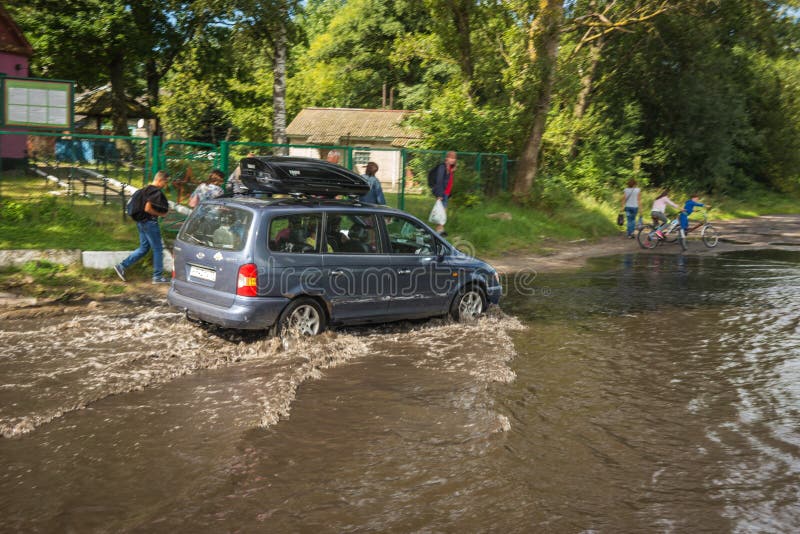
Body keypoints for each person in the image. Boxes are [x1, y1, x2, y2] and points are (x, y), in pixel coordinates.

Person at [114, 171, 171, 284]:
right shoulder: (155, 192)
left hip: (141, 222)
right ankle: (157, 277)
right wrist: (161, 214)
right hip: (149, 223)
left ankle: (122, 266)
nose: (166, 185)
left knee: (144, 248)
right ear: (160, 180)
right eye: (166, 182)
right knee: (158, 249)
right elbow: (148, 208)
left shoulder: (145, 190)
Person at [430, 151, 457, 235]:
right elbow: (439, 181)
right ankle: (439, 231)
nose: (452, 160)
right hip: (442, 193)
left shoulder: (450, 168)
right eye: (451, 158)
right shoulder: (442, 167)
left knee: (443, 212)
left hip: (446, 193)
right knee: (441, 212)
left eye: (454, 158)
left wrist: (452, 170)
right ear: (447, 158)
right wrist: (439, 194)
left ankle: (440, 229)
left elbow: (449, 181)